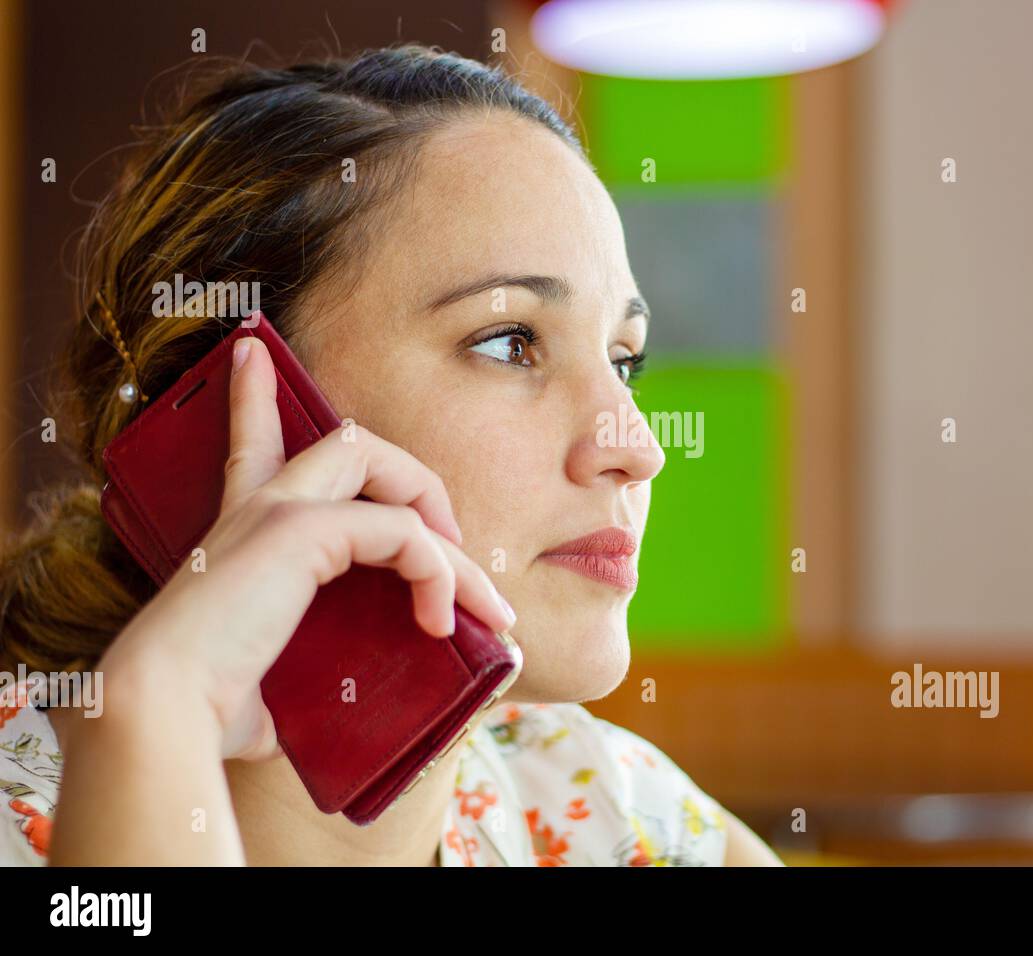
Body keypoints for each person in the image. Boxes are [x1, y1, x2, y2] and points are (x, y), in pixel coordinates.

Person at [0, 44, 783, 867]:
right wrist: (155, 716)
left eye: (625, 359)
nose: (639, 451)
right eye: (511, 341)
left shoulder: (609, 810)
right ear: (234, 416)